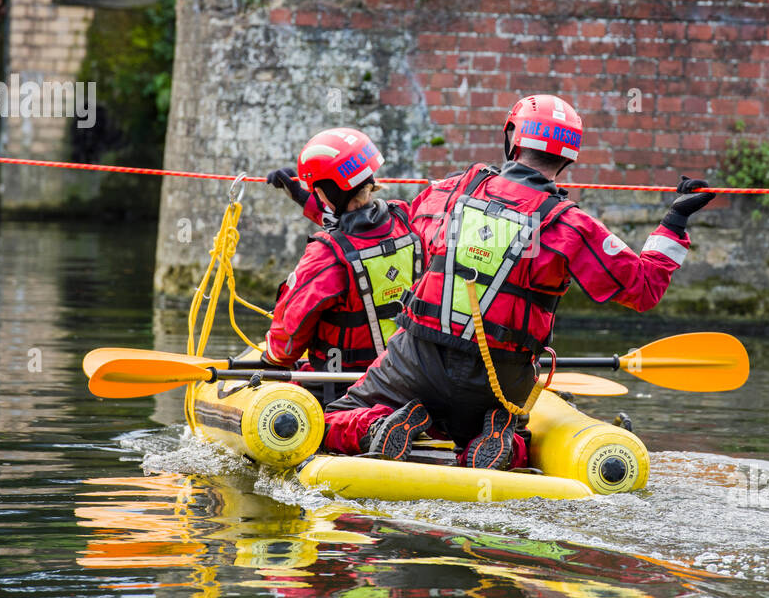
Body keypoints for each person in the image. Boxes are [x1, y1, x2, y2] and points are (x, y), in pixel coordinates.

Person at [322, 94, 716, 469]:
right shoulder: (572, 225)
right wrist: (675, 221)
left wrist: (320, 204)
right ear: (568, 157)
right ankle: (505, 442)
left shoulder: (451, 191)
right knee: (510, 429)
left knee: (332, 419)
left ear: (512, 139)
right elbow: (643, 289)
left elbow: (389, 228)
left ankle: (379, 425)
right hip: (501, 379)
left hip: (417, 362)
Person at [262, 128, 424, 409]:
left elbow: (289, 335)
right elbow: (357, 226)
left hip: (345, 389)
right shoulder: (407, 220)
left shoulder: (325, 254)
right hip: (411, 378)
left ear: (328, 192)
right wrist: (302, 196)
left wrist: (271, 361)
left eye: (318, 190)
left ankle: (365, 428)